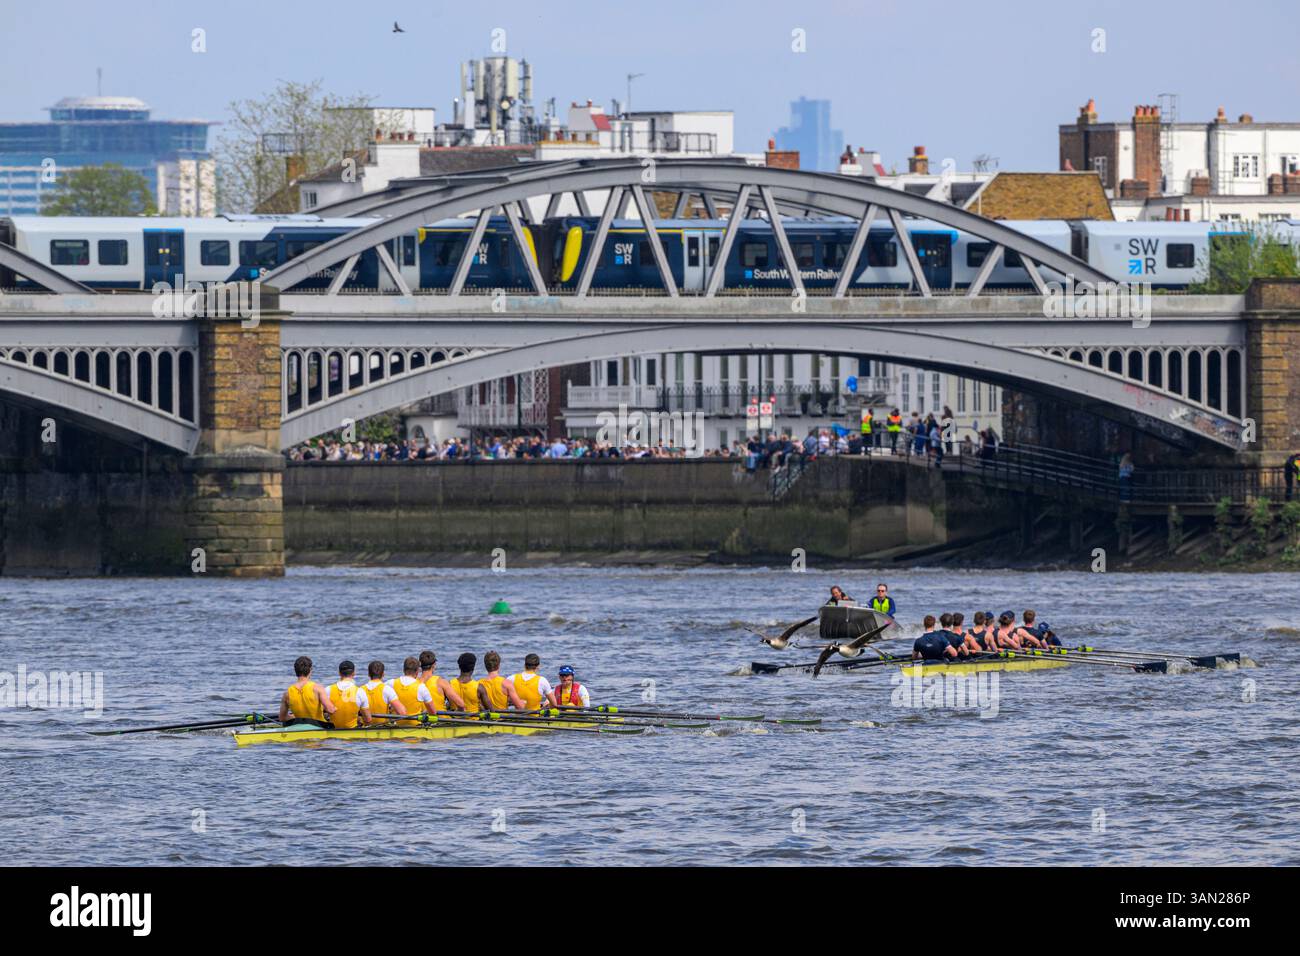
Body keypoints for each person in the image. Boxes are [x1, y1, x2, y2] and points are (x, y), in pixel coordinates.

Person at [279, 656, 336, 725]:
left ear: (295, 670)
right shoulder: (318, 688)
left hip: (299, 727)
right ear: (310, 669)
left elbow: (282, 718)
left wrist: (294, 717)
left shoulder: (287, 693)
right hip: (318, 728)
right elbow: (331, 710)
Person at [327, 660, 371, 729]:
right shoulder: (360, 691)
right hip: (353, 733)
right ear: (353, 673)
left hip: (332, 731)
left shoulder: (328, 689)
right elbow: (368, 719)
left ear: (339, 673)